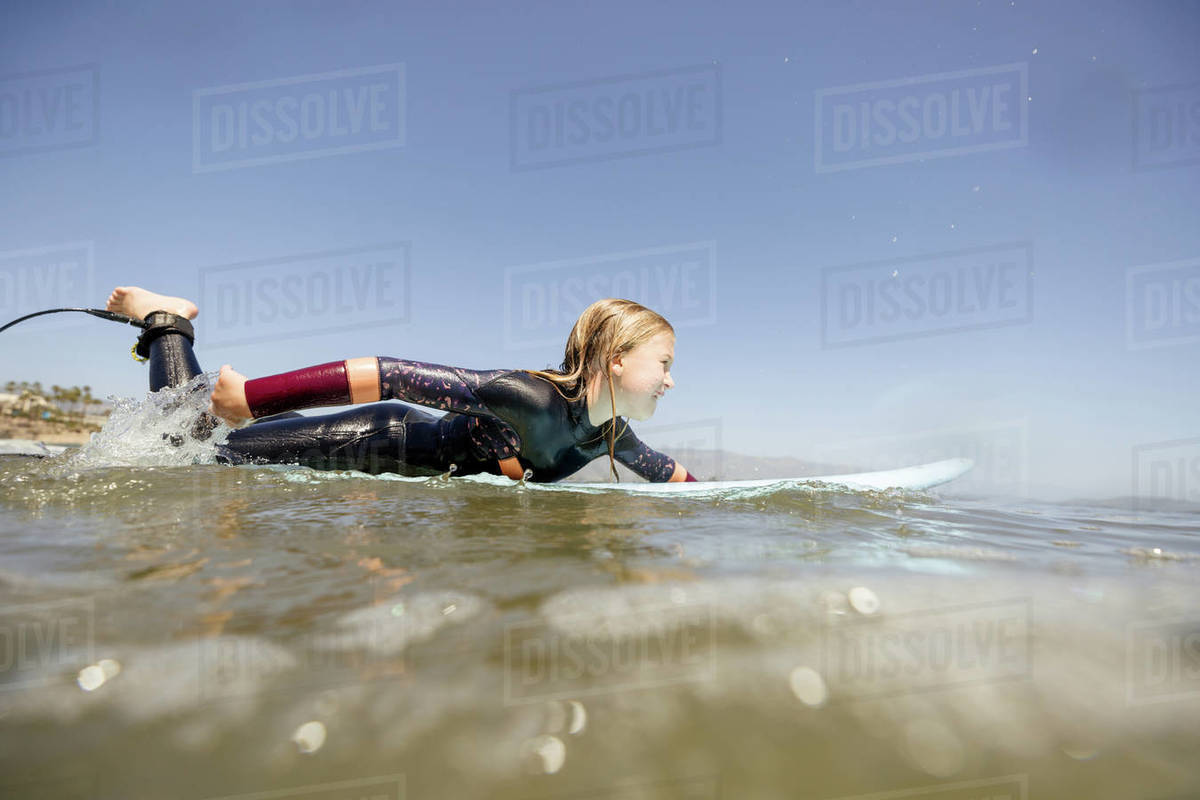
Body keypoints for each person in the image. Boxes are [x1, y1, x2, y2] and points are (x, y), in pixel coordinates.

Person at [105, 286, 696, 483]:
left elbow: (672, 477)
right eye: (665, 363)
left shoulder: (608, 434)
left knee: (196, 438)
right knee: (187, 453)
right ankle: (167, 322)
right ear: (617, 361)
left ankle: (173, 334)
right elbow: (391, 374)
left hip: (394, 468)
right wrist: (254, 398)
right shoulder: (530, 398)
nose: (671, 380)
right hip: (374, 440)